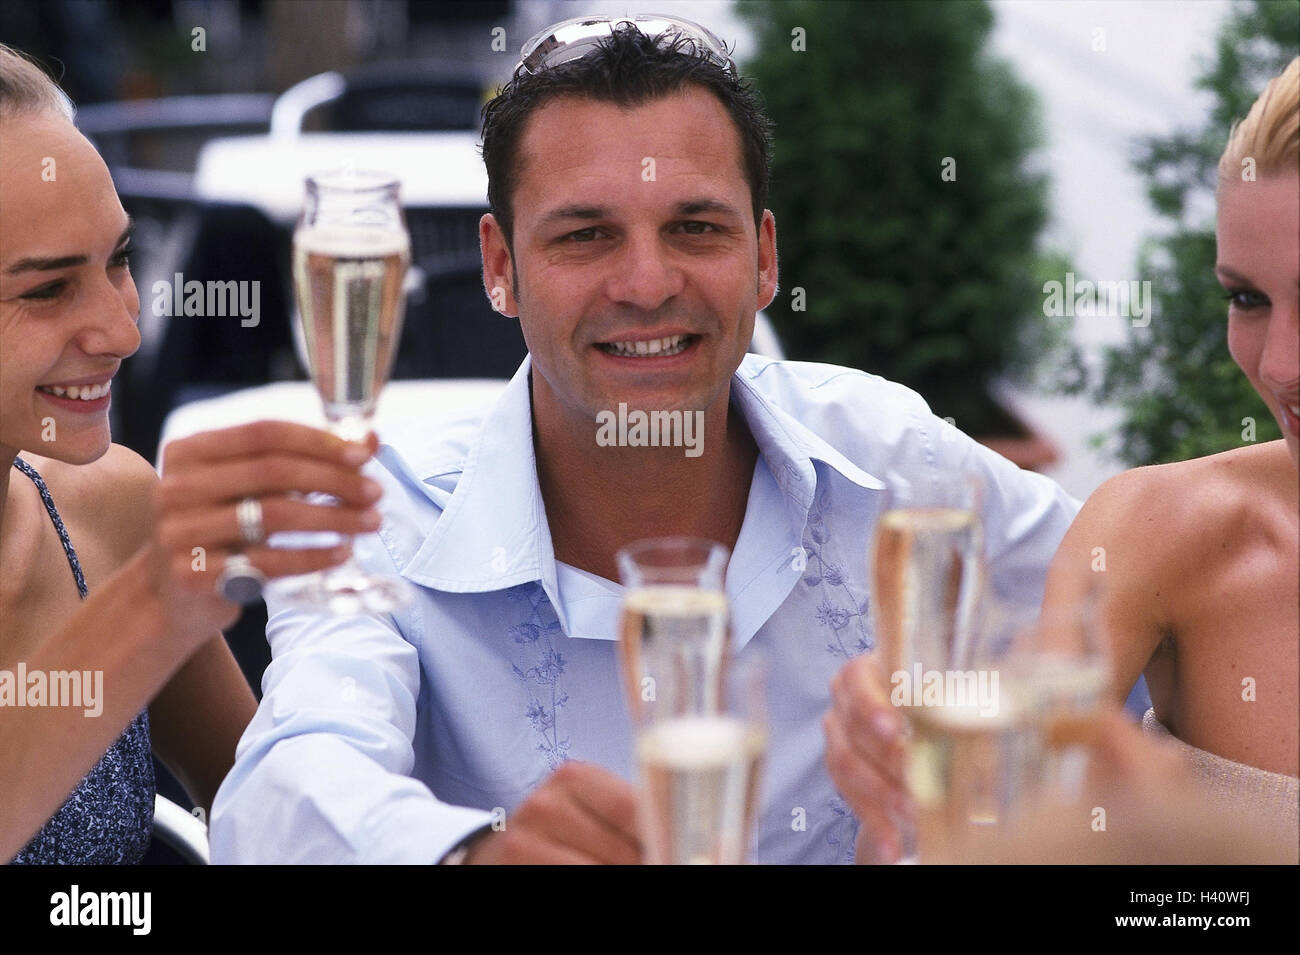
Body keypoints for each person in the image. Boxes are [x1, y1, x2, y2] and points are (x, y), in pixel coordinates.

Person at [209, 15, 1078, 864]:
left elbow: (1139, 609)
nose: (648, 283)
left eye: (695, 228)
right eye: (586, 236)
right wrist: (471, 855)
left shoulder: (893, 459)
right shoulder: (383, 513)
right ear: (499, 266)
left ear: (765, 256)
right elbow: (283, 791)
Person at [825, 57, 1299, 864]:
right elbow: (986, 832)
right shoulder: (1158, 530)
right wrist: (918, 782)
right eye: (1247, 298)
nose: (1280, 364)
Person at [0, 44, 381, 863]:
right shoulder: (144, 569)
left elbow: (269, 814)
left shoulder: (109, 508)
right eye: (45, 288)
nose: (125, 331)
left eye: (120, 262)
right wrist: (147, 605)